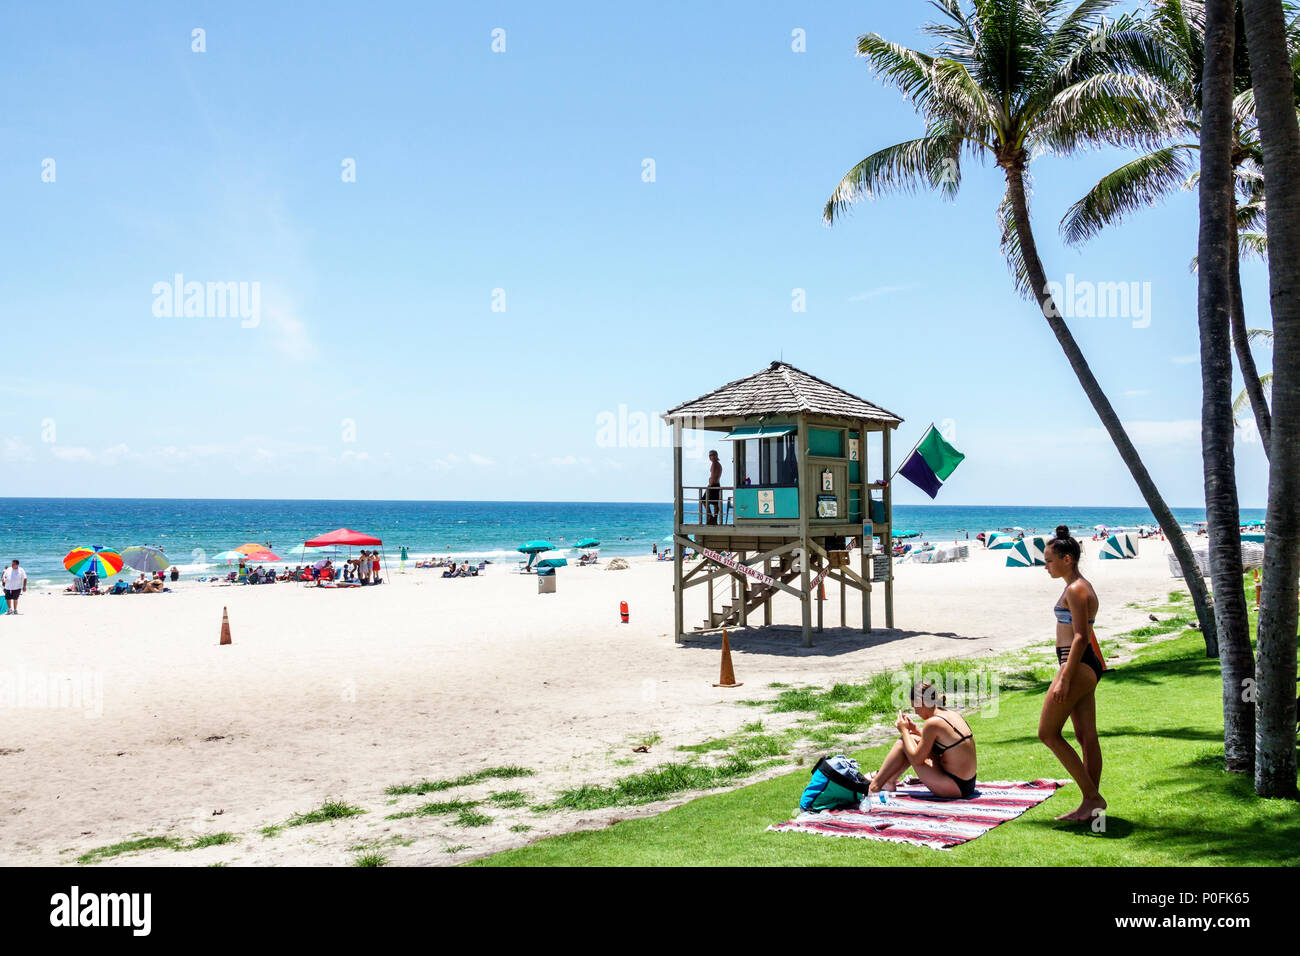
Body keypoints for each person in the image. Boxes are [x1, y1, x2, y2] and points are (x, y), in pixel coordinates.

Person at [1039, 525, 1107, 823]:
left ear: (1067, 559)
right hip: (1082, 665)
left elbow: (1080, 636)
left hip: (1075, 664)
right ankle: (1089, 804)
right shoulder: (1075, 586)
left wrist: (1065, 676)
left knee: (1048, 733)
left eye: (1049, 561)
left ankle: (1092, 796)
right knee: (1085, 735)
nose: (1046, 566)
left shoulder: (1077, 589)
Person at [866, 681, 978, 798]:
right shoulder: (951, 714)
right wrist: (916, 730)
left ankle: (874, 786)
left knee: (905, 741)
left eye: (915, 707)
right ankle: (889, 781)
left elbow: (916, 759)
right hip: (968, 784)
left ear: (921, 702)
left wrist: (904, 730)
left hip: (955, 787)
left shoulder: (932, 723)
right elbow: (942, 742)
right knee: (912, 738)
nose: (915, 712)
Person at [705, 449, 722, 524]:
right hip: (716, 484)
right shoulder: (716, 463)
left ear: (716, 455)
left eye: (712, 455)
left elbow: (714, 476)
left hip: (713, 485)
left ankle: (712, 518)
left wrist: (710, 484)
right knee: (715, 503)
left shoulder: (715, 464)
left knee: (703, 501)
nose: (711, 456)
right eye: (709, 455)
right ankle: (714, 519)